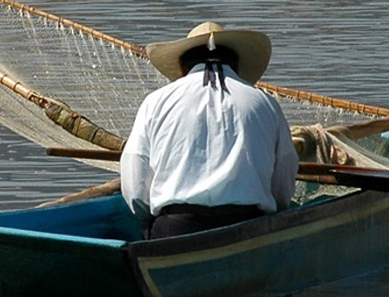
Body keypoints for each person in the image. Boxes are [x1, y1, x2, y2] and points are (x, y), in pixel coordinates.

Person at [120, 21, 299, 240]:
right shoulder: (265, 103)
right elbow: (283, 181)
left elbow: (135, 187)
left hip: (175, 229)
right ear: (236, 65)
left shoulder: (155, 102)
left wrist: (148, 218)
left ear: (182, 68)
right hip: (249, 228)